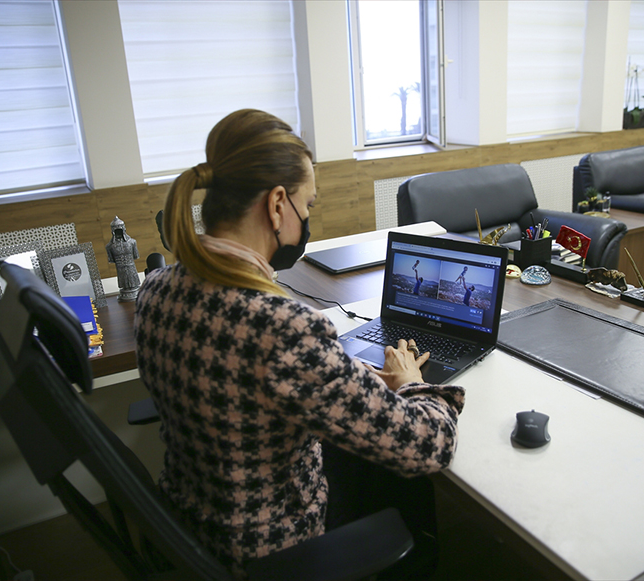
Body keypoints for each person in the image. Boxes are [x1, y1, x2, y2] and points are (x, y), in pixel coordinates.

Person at [134, 109, 465, 578]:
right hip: (276, 554)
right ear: (276, 205)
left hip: (192, 532)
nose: (307, 218)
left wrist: (344, 382)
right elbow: (430, 446)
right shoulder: (283, 327)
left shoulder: (156, 290)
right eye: (306, 206)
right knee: (409, 489)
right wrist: (412, 383)